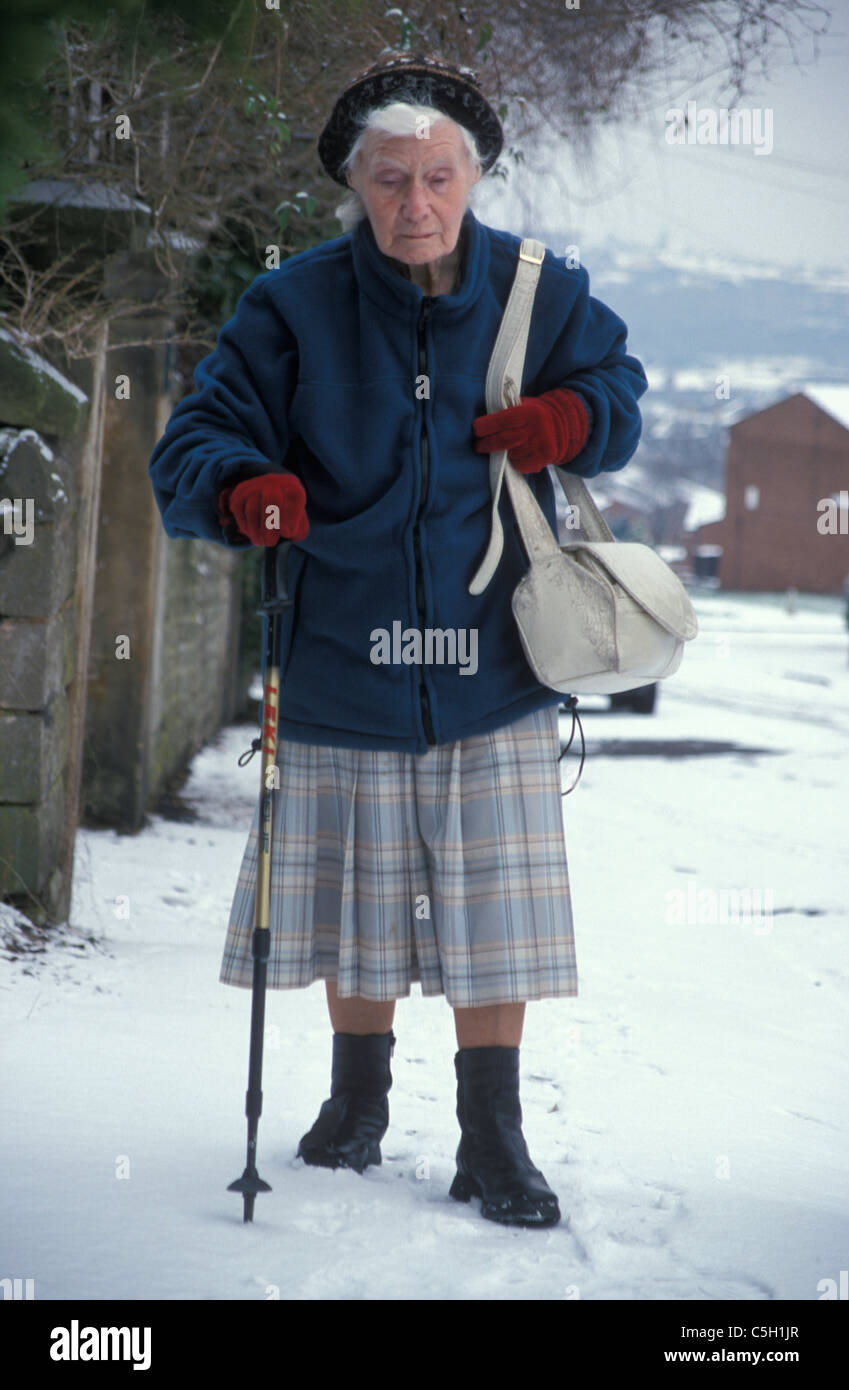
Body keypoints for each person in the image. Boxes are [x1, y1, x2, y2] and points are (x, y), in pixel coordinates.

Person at [148, 51, 648, 1228]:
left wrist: (572, 415)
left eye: (437, 177)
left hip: (498, 659)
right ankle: (355, 1102)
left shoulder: (544, 289)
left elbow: (623, 394)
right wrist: (245, 489)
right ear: (355, 187)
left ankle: (494, 1136)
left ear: (473, 178)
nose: (413, 204)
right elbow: (191, 447)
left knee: (495, 914)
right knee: (356, 900)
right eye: (389, 180)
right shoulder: (293, 305)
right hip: (343, 653)